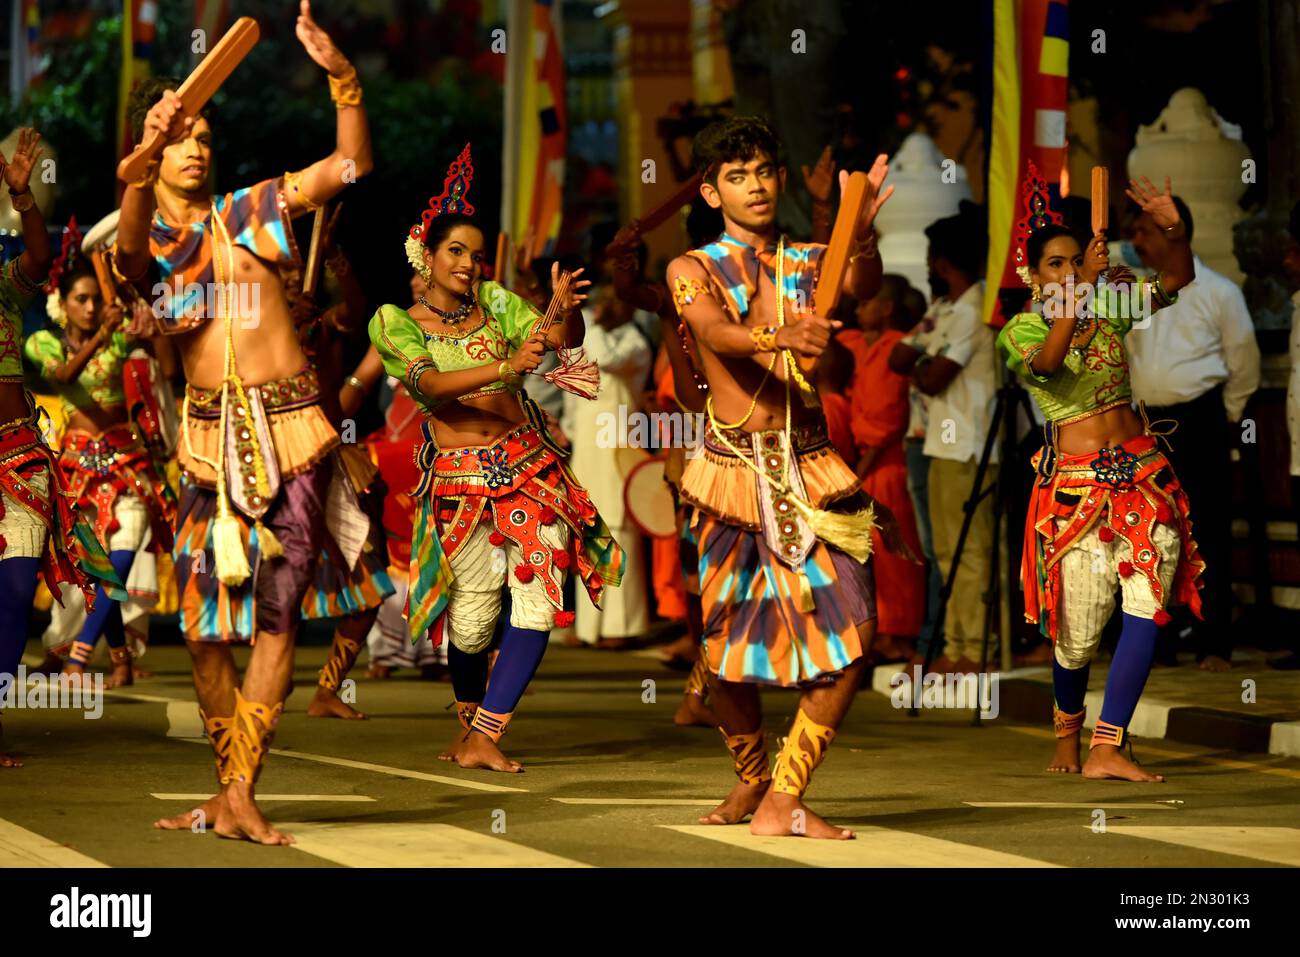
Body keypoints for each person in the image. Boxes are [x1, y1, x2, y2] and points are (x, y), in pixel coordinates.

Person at [112, 1, 374, 843]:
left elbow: (347, 167)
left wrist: (343, 77)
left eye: (201, 134)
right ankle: (229, 787)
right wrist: (138, 166)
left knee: (279, 614)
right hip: (206, 444)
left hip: (291, 430)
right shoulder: (147, 239)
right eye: (178, 135)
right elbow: (126, 261)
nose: (196, 147)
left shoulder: (248, 213)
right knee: (197, 629)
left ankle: (240, 789)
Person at [667, 115, 896, 839]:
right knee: (726, 651)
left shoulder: (806, 256)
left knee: (856, 631)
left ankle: (784, 795)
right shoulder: (692, 268)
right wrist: (778, 334)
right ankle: (755, 783)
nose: (755, 185)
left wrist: (861, 237)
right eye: (737, 175)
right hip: (732, 472)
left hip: (812, 467)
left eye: (764, 170)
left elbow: (858, 288)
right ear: (710, 192)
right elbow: (713, 333)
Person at [369, 145, 622, 773]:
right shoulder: (395, 321)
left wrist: (566, 309)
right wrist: (507, 366)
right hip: (458, 480)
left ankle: (487, 733)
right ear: (425, 256)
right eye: (455, 251)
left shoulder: (501, 304)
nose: (468, 263)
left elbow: (560, 344)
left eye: (475, 254)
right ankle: (470, 726)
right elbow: (428, 386)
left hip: (529, 469)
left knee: (537, 593)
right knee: (475, 618)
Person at [996, 171, 1203, 782]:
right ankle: (1067, 730)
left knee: (1148, 605)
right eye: (1053, 265)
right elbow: (1054, 363)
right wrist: (1082, 286)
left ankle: (1107, 745)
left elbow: (1177, 280)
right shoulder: (1023, 329)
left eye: (1073, 261)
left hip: (1142, 473)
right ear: (1034, 275)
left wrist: (1174, 229)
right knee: (1078, 637)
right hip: (1075, 489)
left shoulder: (1109, 306)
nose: (1065, 271)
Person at [2, 127, 122, 768]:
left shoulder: (4, 284)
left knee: (18, 590)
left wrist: (24, 200)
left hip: (18, 454)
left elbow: (40, 261)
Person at [26, 232, 176, 690]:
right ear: (62, 304)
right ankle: (119, 659)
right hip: (74, 469)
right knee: (95, 567)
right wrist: (108, 333)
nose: (91, 308)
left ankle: (78, 659)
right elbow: (65, 375)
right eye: (81, 300)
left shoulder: (118, 341)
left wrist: (151, 324)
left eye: (95, 300)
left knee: (122, 559)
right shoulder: (42, 343)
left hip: (126, 463)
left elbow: (165, 369)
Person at [1125, 197, 1260, 672]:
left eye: (1145, 231)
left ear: (1173, 230)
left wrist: (1228, 413)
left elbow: (1243, 358)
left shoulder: (1218, 290)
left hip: (1200, 419)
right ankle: (1157, 645)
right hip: (1145, 423)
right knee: (1150, 533)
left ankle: (1213, 643)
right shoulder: (1136, 293)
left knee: (1206, 532)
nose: (1136, 241)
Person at [889, 206, 994, 672]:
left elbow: (932, 378)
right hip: (941, 443)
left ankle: (975, 647)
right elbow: (911, 364)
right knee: (948, 552)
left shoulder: (975, 308)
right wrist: (922, 368)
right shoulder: (950, 308)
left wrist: (921, 368)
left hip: (968, 440)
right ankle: (956, 645)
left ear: (944, 261)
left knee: (970, 550)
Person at [840, 276, 925, 660]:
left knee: (893, 549)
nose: (858, 311)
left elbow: (890, 411)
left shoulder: (897, 347)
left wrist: (863, 462)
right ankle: (873, 629)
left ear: (887, 308)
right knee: (865, 552)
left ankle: (899, 633)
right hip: (857, 460)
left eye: (866, 303)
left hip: (886, 461)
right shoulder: (855, 344)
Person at [564, 284, 652, 649]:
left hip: (618, 448)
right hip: (587, 447)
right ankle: (590, 628)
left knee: (619, 529)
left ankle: (622, 626)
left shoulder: (634, 343)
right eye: (602, 301)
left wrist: (590, 322)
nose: (604, 306)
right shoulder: (596, 340)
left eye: (614, 301)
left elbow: (602, 358)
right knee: (589, 530)